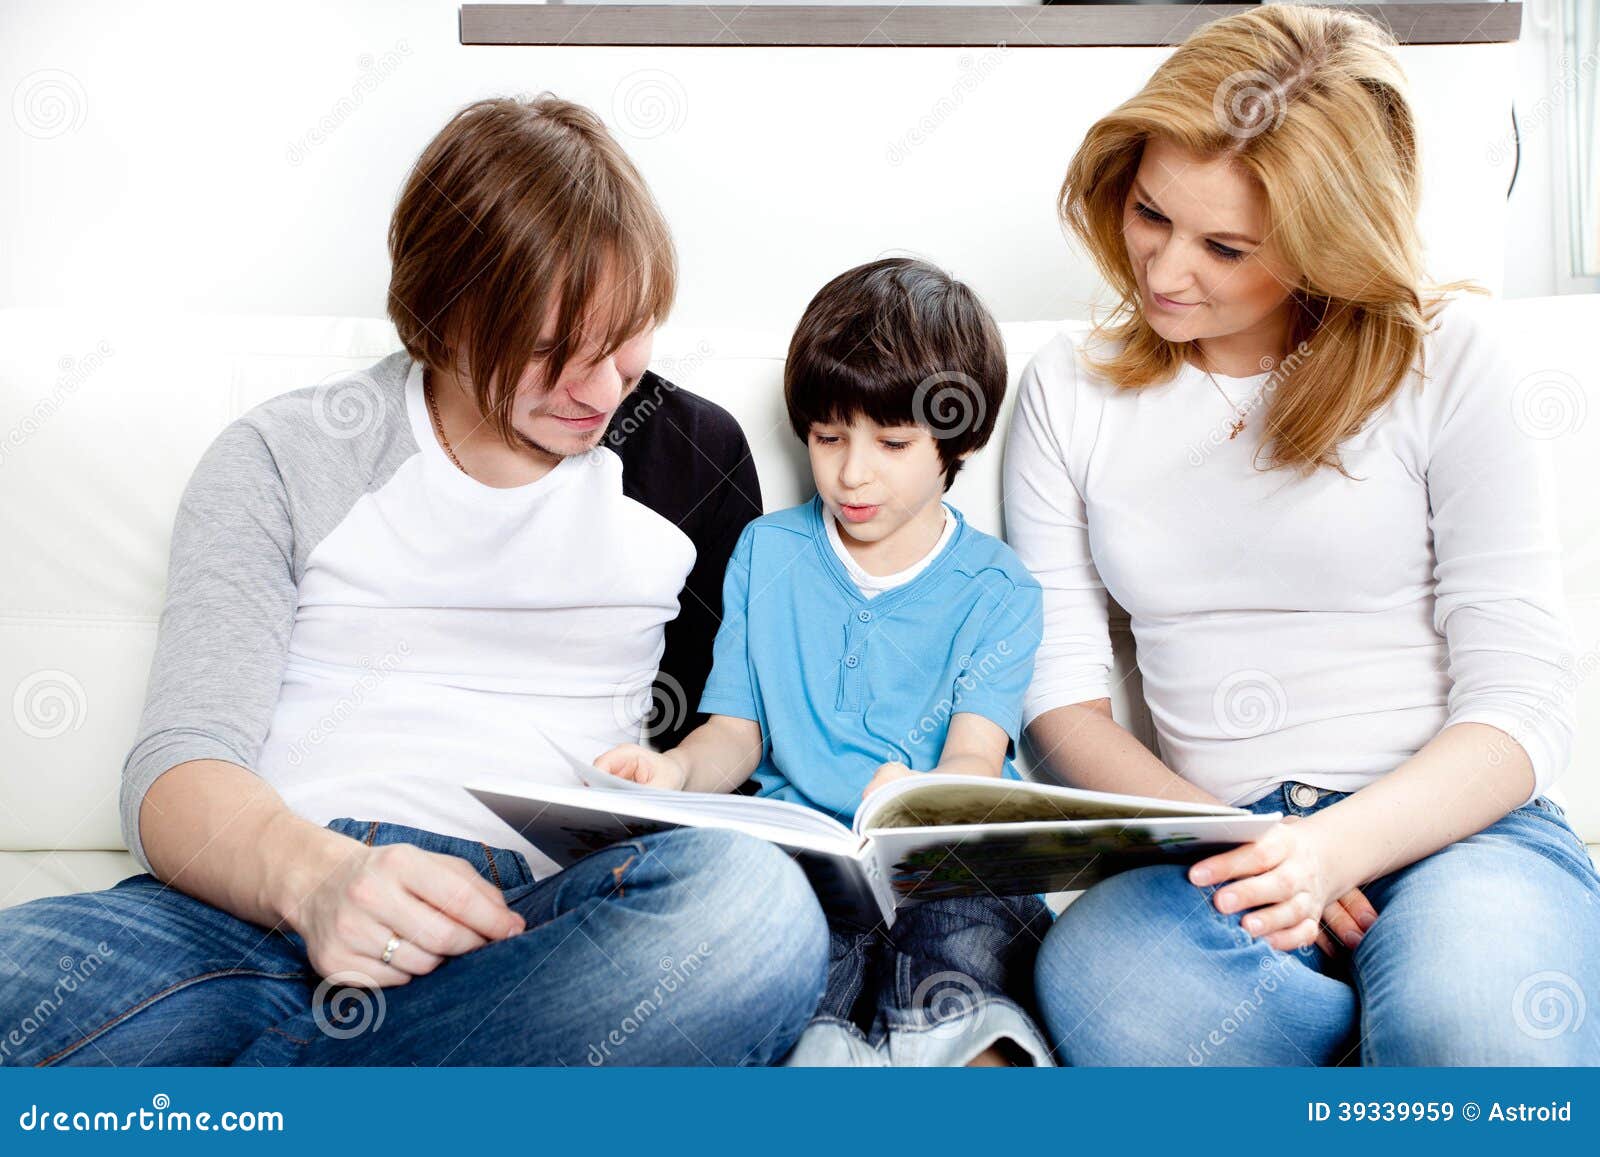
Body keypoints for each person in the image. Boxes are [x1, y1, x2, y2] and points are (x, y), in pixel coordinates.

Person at [0, 95, 827, 1067]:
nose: (603, 391)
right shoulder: (287, 449)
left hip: (541, 932)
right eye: (555, 354)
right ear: (443, 323)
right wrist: (318, 883)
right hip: (271, 898)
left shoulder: (691, 455)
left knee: (754, 912)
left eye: (627, 338)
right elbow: (180, 762)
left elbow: (716, 733)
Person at [1006, 5, 1600, 1066]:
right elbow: (1058, 707)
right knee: (1113, 995)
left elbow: (1524, 699)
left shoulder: (1447, 359)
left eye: (1225, 246)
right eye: (1150, 213)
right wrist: (1257, 848)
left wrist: (1334, 848)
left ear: (1324, 246)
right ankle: (1386, 1064)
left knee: (1477, 1023)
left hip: (1453, 831)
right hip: (1210, 848)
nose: (1164, 271)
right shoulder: (1068, 387)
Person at [597, 257, 1052, 1066]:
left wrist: (923, 795)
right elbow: (733, 733)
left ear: (958, 438)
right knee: (802, 971)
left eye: (893, 441)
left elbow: (976, 755)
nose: (852, 472)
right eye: (828, 436)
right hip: (810, 863)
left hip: (948, 863)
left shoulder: (1000, 587)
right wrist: (672, 772)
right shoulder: (765, 552)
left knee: (967, 949)